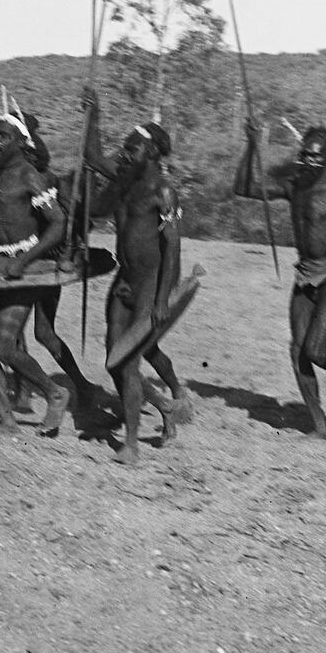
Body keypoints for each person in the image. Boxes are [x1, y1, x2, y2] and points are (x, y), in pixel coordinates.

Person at [233, 117, 326, 439]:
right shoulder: (292, 186)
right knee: (297, 350)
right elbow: (242, 188)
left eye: (316, 156)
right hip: (305, 272)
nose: (309, 160)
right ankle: (320, 425)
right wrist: (252, 144)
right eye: (305, 154)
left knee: (314, 349)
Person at [77, 88, 192, 462]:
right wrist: (95, 112)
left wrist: (161, 299)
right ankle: (162, 405)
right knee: (115, 359)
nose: (124, 153)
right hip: (123, 280)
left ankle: (130, 443)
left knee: (127, 362)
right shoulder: (124, 179)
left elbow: (172, 248)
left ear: (153, 154)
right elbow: (92, 156)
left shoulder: (164, 191)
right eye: (124, 147)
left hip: (150, 283)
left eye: (132, 148)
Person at [0, 114, 72, 433]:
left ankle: (55, 392)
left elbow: (58, 224)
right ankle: (7, 420)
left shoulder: (29, 176)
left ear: (20, 143)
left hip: (25, 274)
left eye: (3, 136)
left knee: (5, 347)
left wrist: (24, 261)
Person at [10, 110, 100, 423]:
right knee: (32, 333)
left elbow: (73, 221)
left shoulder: (42, 181)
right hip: (36, 264)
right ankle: (67, 386)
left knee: (31, 333)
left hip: (40, 266)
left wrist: (71, 251)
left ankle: (71, 387)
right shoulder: (20, 177)